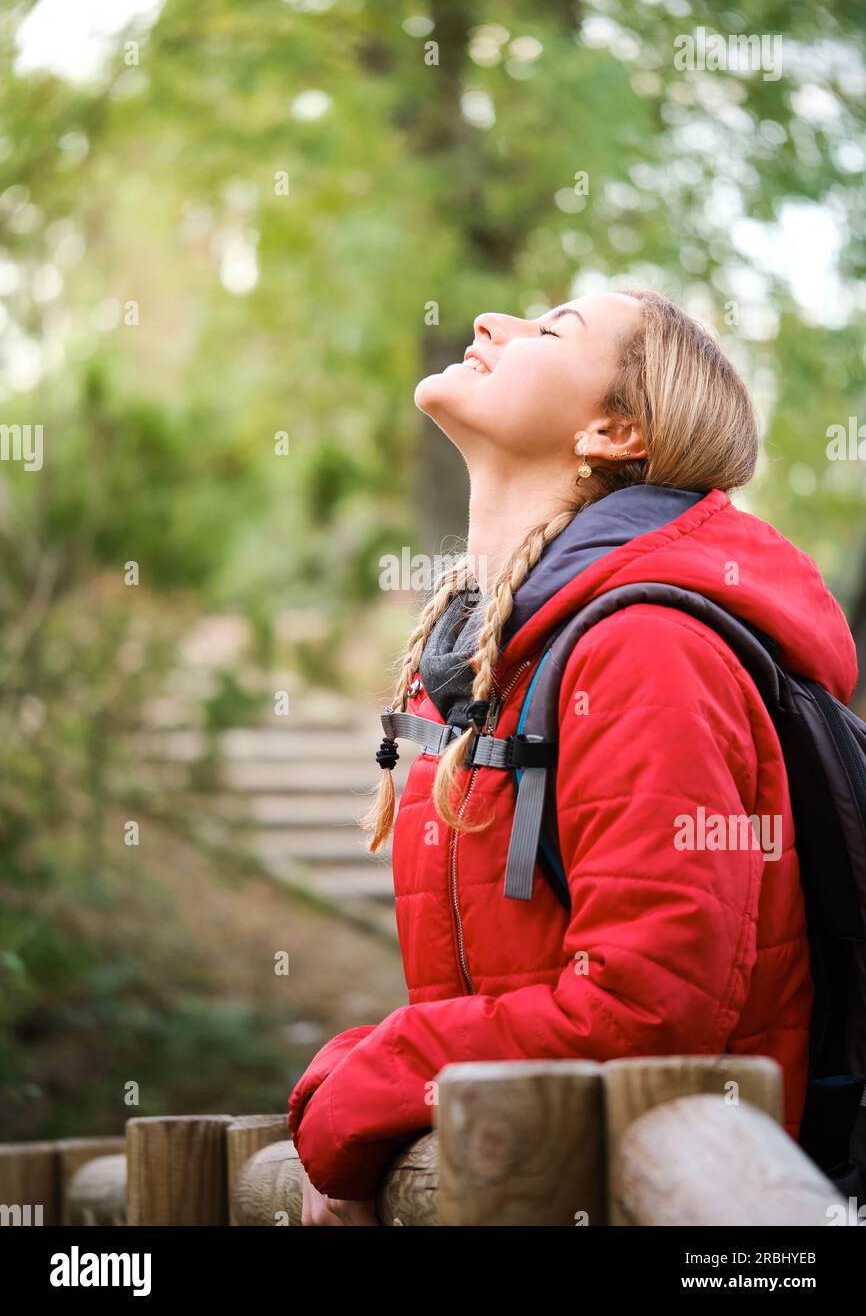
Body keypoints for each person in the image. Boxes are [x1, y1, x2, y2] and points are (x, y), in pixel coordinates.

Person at [288, 288, 858, 1226]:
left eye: (551, 328)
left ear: (613, 428)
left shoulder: (644, 650)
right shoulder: (482, 669)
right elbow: (515, 1003)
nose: (488, 326)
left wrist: (369, 1087)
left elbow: (647, 1017)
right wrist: (368, 1080)